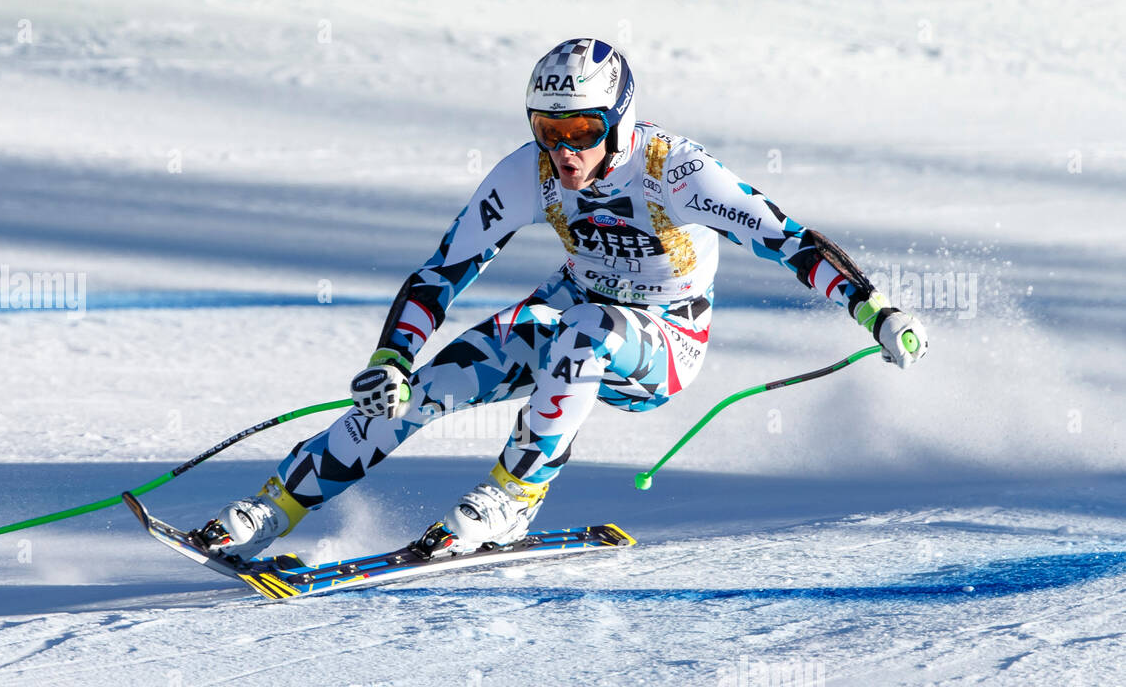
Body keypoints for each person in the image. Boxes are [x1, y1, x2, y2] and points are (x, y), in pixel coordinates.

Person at [192, 37, 927, 561]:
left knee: (587, 331)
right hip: (568, 308)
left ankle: (515, 497)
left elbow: (788, 239)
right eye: (548, 130)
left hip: (664, 343)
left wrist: (876, 311)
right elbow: (441, 271)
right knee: (420, 392)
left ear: (620, 123)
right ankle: (276, 507)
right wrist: (392, 356)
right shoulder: (529, 174)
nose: (565, 148)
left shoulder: (679, 172)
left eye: (582, 130)